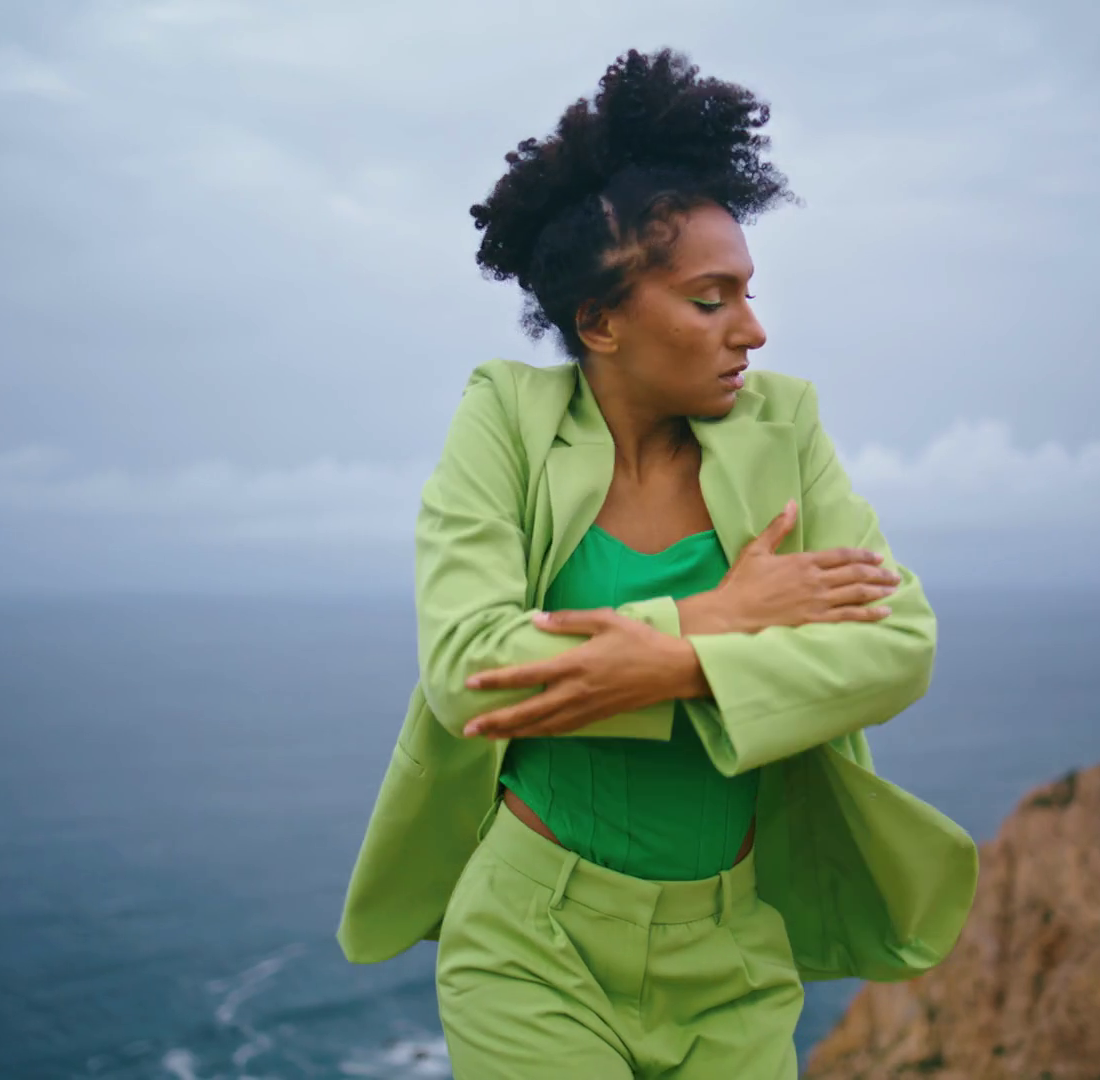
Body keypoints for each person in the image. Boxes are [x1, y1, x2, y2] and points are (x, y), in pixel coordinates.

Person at [337, 46, 978, 1079]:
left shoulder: (786, 430)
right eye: (710, 299)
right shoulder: (504, 417)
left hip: (733, 953)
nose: (753, 331)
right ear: (600, 322)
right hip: (531, 942)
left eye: (748, 294)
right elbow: (467, 671)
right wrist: (716, 619)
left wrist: (672, 667)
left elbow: (899, 646)